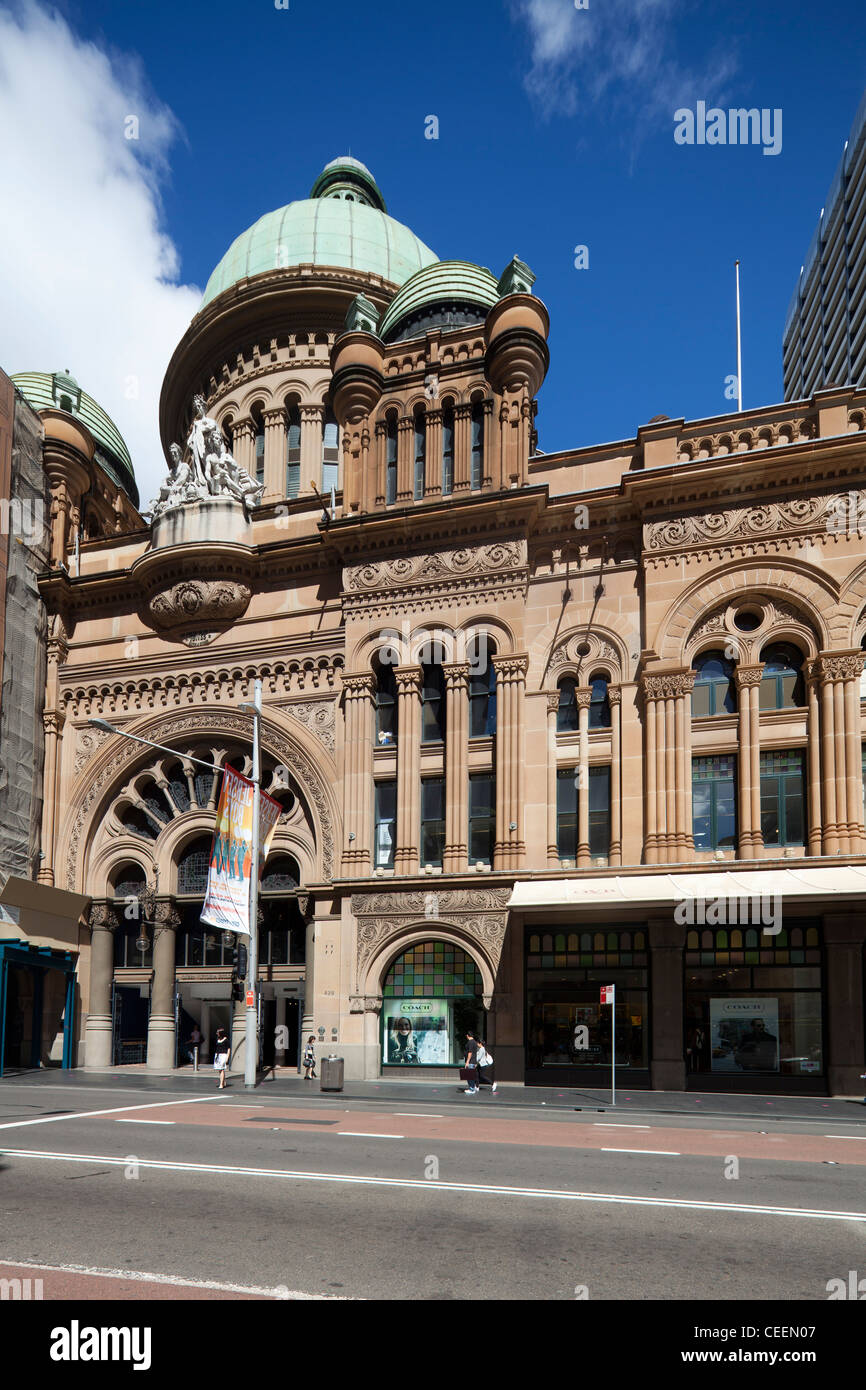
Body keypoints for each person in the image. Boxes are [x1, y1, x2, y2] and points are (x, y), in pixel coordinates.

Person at [462, 1030, 479, 1094]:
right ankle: (472, 1087)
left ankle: (471, 1089)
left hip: (470, 1062)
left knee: (469, 1076)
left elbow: (470, 1052)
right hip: (473, 1061)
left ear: (467, 1035)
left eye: (466, 1035)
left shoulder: (470, 1042)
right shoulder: (474, 1042)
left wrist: (467, 1062)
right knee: (471, 1075)